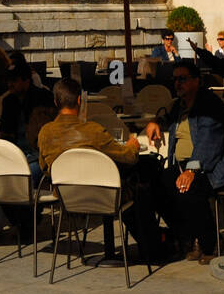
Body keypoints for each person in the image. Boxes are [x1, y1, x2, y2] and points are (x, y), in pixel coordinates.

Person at [144, 60, 224, 265]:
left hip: (213, 169)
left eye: (183, 79)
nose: (177, 84)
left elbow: (210, 141)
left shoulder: (209, 104)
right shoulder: (180, 105)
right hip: (183, 166)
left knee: (188, 189)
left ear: (197, 81)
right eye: (175, 79)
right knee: (154, 188)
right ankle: (188, 236)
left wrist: (192, 170)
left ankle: (210, 243)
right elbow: (166, 116)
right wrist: (155, 122)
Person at [37, 78, 144, 262]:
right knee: (141, 186)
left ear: (55, 102)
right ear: (80, 101)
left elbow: (45, 168)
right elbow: (128, 157)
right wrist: (133, 144)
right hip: (103, 198)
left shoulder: (45, 132)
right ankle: (153, 245)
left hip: (66, 199)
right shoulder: (93, 131)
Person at [0, 58, 54, 182]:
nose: (10, 84)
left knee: (23, 179)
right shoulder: (8, 101)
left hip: (39, 156)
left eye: (14, 80)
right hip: (15, 155)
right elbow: (4, 132)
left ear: (26, 80)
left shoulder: (44, 97)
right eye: (8, 80)